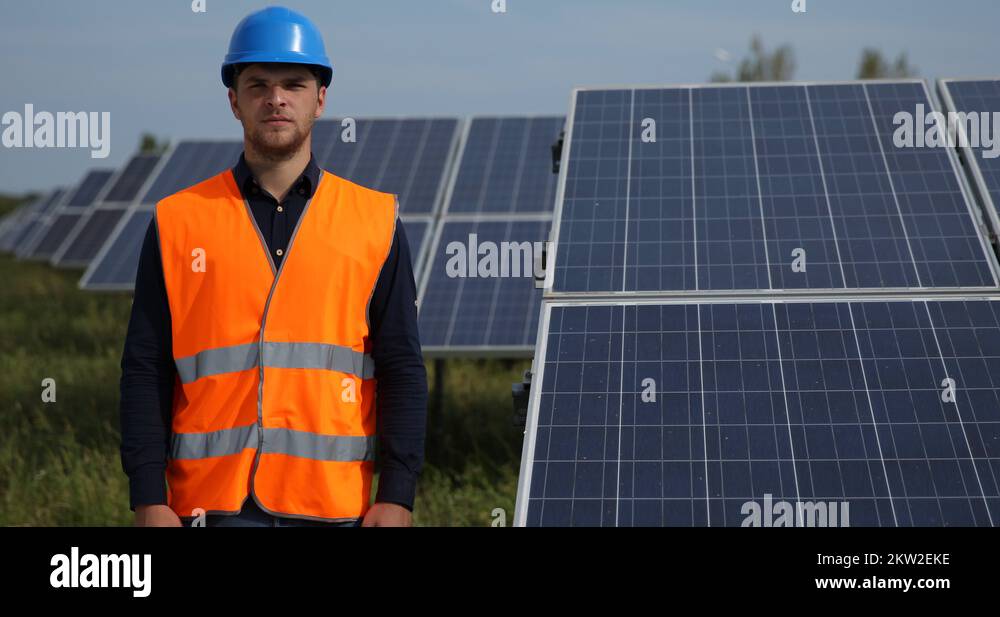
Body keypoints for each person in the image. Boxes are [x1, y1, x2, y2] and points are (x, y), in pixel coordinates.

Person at [120, 5, 428, 527]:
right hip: (209, 507)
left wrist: (397, 495)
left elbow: (401, 365)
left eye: (294, 83)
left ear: (321, 98)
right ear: (234, 101)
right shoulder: (178, 221)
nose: (276, 98)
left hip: (336, 506)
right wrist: (149, 497)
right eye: (258, 84)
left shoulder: (373, 220)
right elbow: (145, 369)